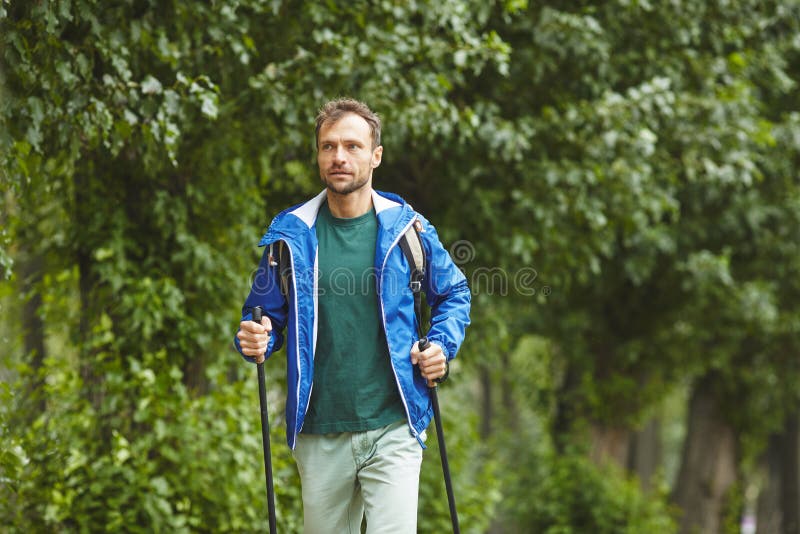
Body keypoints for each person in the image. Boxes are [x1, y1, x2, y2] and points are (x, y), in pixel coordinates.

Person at [234, 98, 471, 533]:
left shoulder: (408, 231)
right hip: (320, 429)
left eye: (352, 146)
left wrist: (440, 345)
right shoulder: (291, 236)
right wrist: (255, 338)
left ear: (375, 155)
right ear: (318, 154)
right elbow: (262, 317)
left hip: (395, 424)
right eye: (328, 147)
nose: (338, 157)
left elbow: (454, 292)